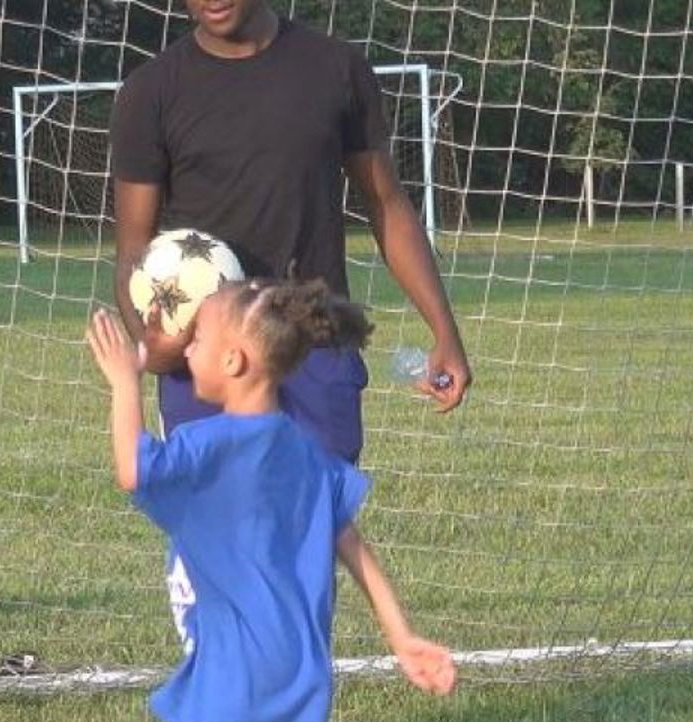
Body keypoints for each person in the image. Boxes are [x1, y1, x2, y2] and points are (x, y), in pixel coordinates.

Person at [84, 282, 456, 722]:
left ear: (235, 359)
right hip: (290, 661)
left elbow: (132, 469)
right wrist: (401, 635)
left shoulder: (208, 444)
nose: (184, 349)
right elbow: (350, 539)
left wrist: (123, 383)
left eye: (193, 339)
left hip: (238, 665)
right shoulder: (296, 444)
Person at [108, 0, 473, 466]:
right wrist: (153, 345)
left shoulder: (336, 68)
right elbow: (132, 252)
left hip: (314, 350)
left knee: (318, 532)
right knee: (219, 535)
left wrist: (444, 330)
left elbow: (387, 205)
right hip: (206, 361)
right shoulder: (149, 92)